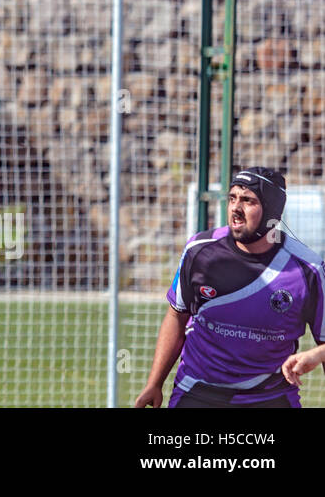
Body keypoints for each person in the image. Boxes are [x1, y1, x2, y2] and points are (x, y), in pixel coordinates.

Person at [134, 167, 325, 408]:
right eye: (232, 198)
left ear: (272, 212)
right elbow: (176, 315)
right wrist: (154, 383)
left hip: (271, 397)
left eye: (247, 200)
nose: (235, 208)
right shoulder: (199, 250)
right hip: (197, 391)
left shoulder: (307, 269)